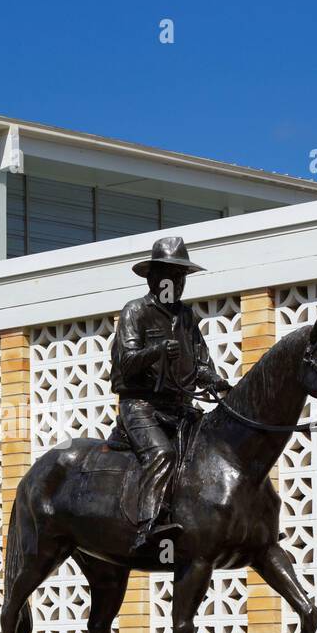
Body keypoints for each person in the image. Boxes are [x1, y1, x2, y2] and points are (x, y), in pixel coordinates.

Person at [109, 236, 233, 553]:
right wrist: (158, 351)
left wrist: (215, 380)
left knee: (216, 452)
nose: (176, 283)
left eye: (181, 277)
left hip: (179, 407)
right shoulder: (135, 312)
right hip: (140, 407)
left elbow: (202, 363)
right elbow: (126, 361)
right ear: (154, 278)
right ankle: (148, 527)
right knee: (162, 454)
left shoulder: (187, 317)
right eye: (170, 276)